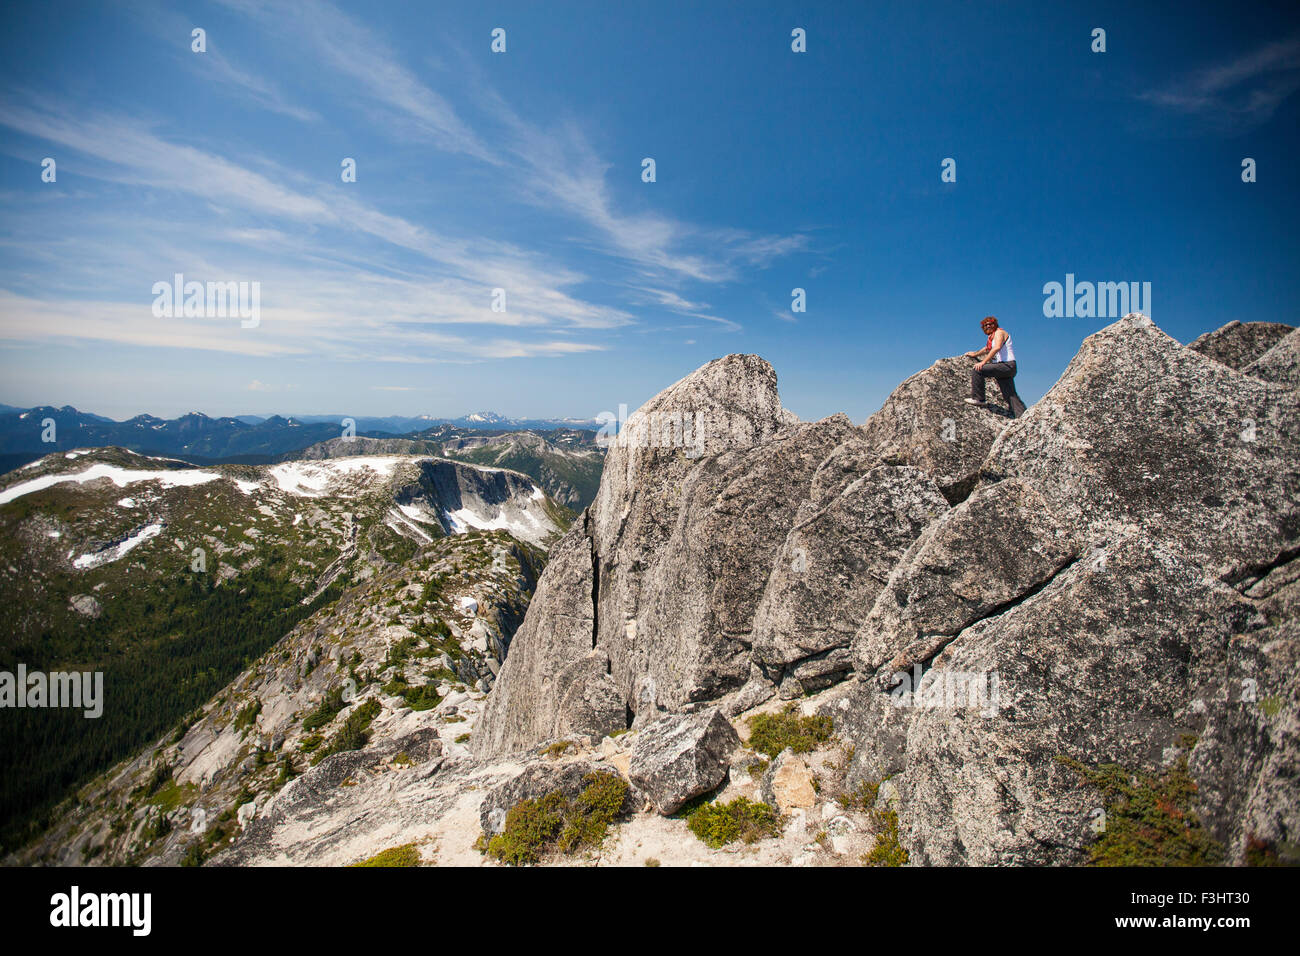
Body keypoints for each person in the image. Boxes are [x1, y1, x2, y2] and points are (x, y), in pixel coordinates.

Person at [964, 316, 1027, 418]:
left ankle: (978, 398)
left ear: (995, 325)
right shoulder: (991, 337)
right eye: (985, 325)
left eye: (990, 324)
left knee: (977, 370)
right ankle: (1022, 416)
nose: (988, 326)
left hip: (1006, 365)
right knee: (1010, 395)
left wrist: (983, 362)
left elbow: (996, 347)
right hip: (1006, 368)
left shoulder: (999, 333)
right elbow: (986, 349)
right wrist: (974, 354)